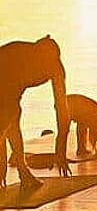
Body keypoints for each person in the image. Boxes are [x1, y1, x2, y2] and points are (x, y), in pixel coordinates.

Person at [0, 36, 71, 187]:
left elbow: (61, 108)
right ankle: (20, 172)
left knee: (13, 115)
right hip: (4, 78)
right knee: (10, 116)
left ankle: (23, 172)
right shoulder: (16, 55)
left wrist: (60, 150)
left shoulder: (55, 67)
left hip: (11, 93)